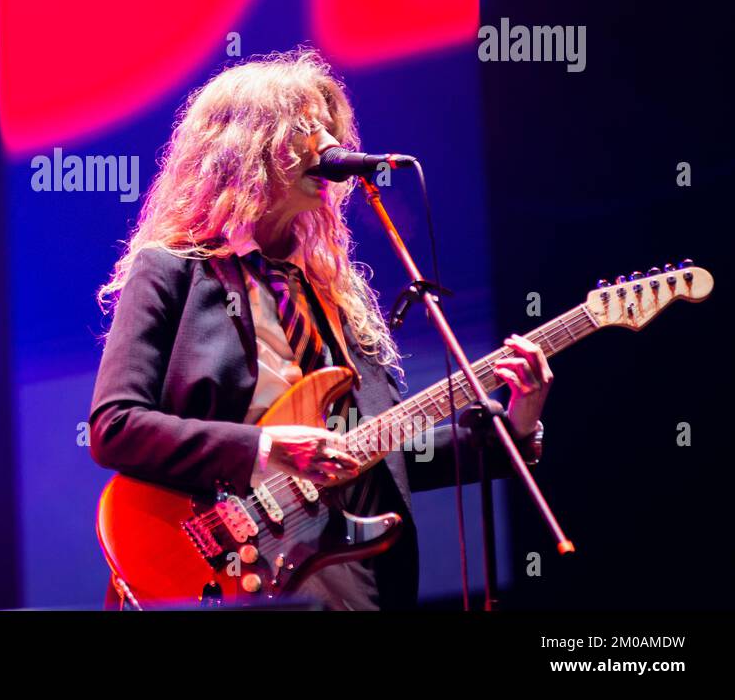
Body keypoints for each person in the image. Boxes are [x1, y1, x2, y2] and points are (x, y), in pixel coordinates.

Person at [89, 47, 550, 610]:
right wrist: (264, 447)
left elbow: (397, 459)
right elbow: (116, 426)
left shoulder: (331, 297)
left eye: (328, 128)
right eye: (303, 129)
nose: (326, 145)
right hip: (214, 565)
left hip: (339, 574)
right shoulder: (173, 271)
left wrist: (519, 419)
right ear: (246, 148)